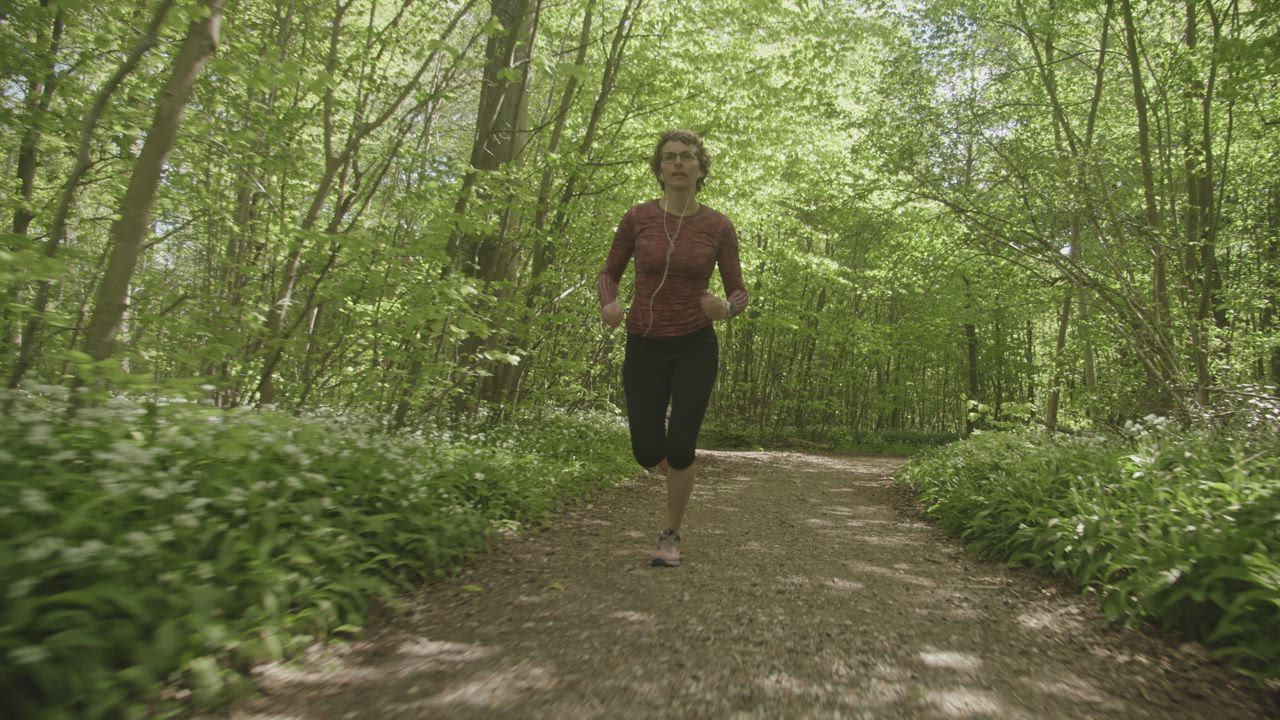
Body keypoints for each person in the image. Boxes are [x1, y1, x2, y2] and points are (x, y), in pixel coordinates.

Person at [597, 128, 749, 567]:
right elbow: (609, 272)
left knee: (681, 445)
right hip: (644, 344)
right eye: (670, 157)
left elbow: (740, 292)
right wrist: (609, 302)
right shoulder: (638, 218)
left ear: (701, 168)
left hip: (695, 346)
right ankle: (677, 468)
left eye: (687, 156)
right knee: (647, 451)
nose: (679, 163)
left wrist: (725, 308)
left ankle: (671, 534)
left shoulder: (718, 226)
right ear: (659, 169)